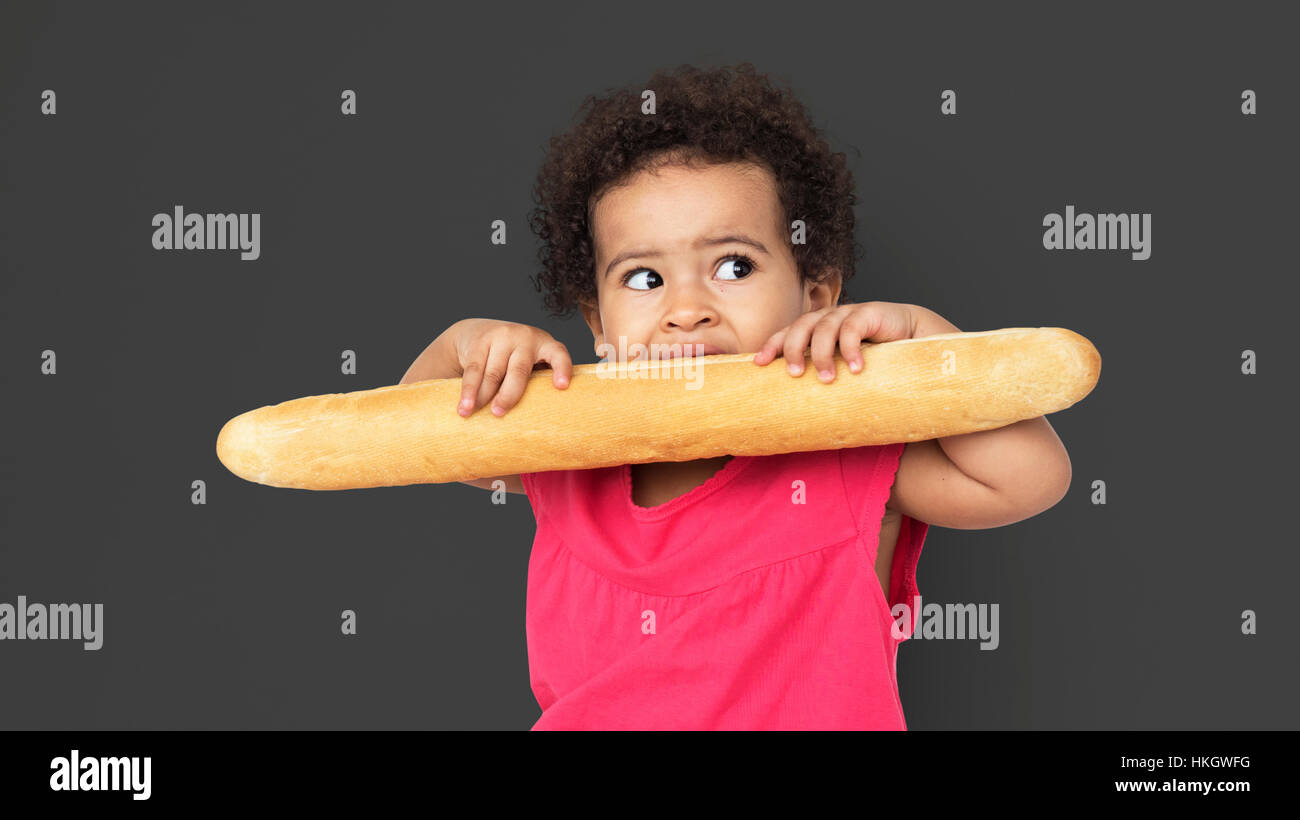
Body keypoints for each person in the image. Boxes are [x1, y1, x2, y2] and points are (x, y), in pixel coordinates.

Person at [400, 63, 1072, 729]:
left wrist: (926, 339)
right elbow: (411, 440)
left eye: (734, 266)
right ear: (599, 326)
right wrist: (463, 346)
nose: (686, 309)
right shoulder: (562, 457)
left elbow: (1029, 477)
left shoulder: (843, 452)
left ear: (816, 297)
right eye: (643, 278)